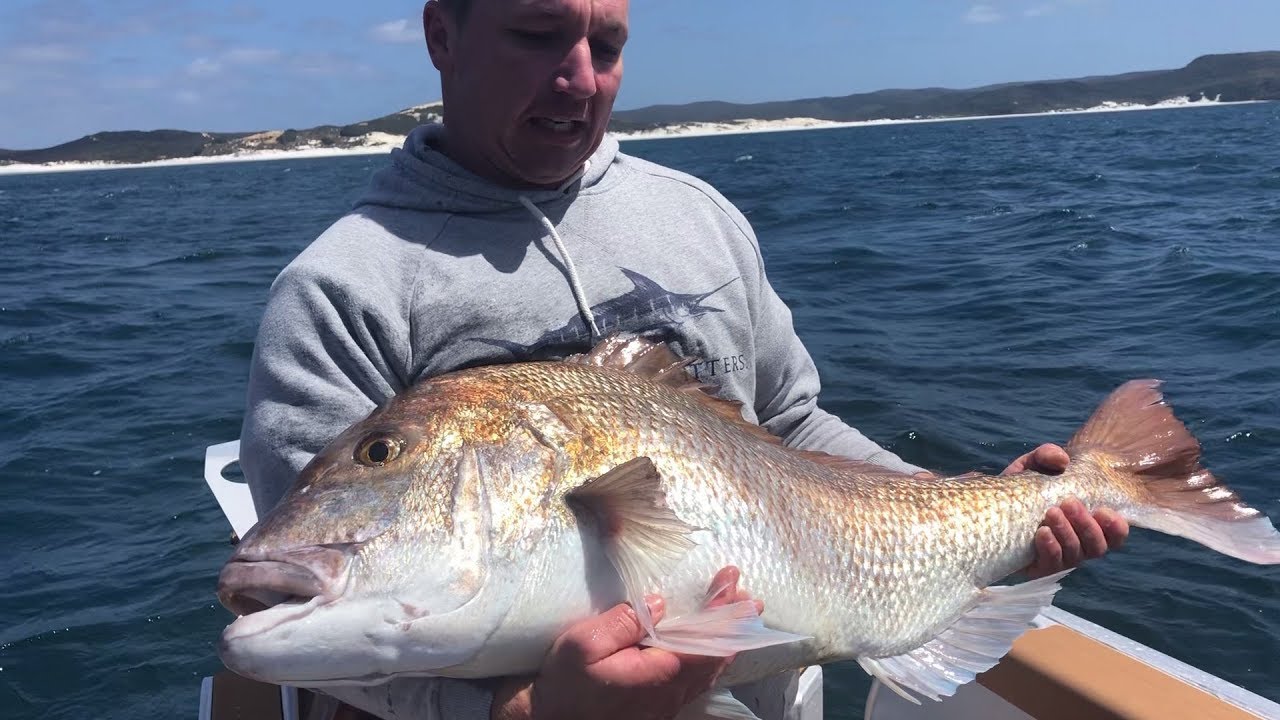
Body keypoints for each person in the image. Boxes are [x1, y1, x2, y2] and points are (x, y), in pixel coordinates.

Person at [238, 0, 1130, 718]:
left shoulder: (698, 216)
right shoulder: (339, 289)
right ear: (443, 35)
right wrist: (538, 712)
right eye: (537, 32)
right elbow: (334, 649)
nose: (580, 75)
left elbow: (787, 425)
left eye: (607, 43)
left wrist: (973, 507)